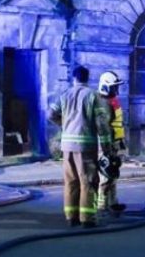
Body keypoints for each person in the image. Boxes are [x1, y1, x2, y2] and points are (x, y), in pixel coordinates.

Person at [48, 65, 113, 228]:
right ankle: (87, 218)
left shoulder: (64, 94)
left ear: (74, 78)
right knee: (88, 181)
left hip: (67, 146)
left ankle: (71, 216)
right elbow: (101, 124)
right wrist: (106, 147)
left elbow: (50, 114)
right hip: (85, 146)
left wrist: (64, 125)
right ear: (87, 78)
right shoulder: (93, 96)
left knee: (71, 181)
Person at [95, 70, 128, 218]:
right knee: (105, 174)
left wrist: (120, 143)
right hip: (104, 144)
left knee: (113, 172)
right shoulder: (101, 102)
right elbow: (103, 127)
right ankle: (102, 205)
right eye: (114, 87)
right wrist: (106, 147)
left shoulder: (113, 101)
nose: (116, 90)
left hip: (114, 143)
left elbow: (117, 124)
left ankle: (113, 202)